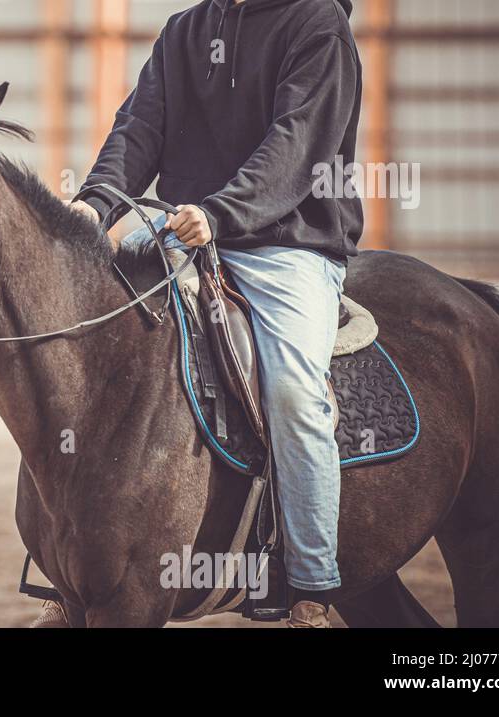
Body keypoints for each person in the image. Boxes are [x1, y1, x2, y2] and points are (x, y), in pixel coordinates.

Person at [67, 0, 363, 627]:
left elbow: (299, 144)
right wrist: (96, 205)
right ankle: (66, 570)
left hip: (288, 244)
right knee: (85, 351)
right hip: (180, 231)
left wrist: (222, 212)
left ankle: (311, 582)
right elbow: (139, 128)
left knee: (293, 392)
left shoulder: (317, 26)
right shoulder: (185, 30)